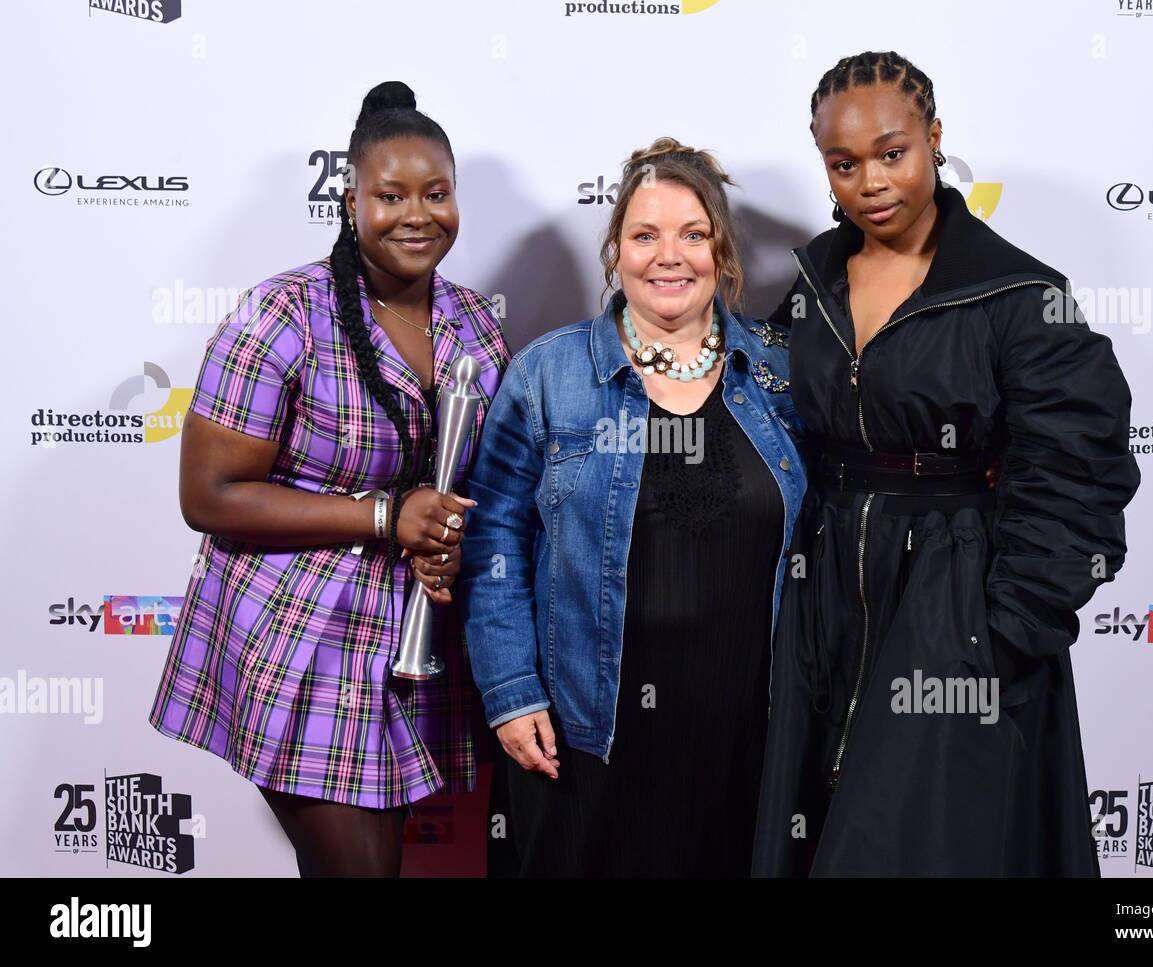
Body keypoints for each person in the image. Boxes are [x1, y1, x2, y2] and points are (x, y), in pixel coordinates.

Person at [752, 51, 1141, 876]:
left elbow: (1080, 472)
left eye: (892, 153)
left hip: (953, 598)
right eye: (844, 163)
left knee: (918, 844)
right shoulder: (812, 280)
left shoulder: (1016, 292)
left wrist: (1001, 631)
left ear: (934, 139)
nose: (871, 182)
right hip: (825, 593)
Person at [148, 81, 509, 877]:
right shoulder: (280, 314)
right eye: (390, 195)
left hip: (417, 641)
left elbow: (486, 485)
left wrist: (449, 538)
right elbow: (208, 496)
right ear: (351, 201)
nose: (418, 214)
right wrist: (386, 518)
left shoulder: (476, 321)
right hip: (301, 629)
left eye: (437, 192)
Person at [460, 139, 807, 876]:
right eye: (645, 235)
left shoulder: (779, 371)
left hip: (744, 740)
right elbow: (493, 538)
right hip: (586, 738)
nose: (668, 256)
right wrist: (510, 688)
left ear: (720, 248)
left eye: (692, 233)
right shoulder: (549, 374)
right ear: (615, 250)